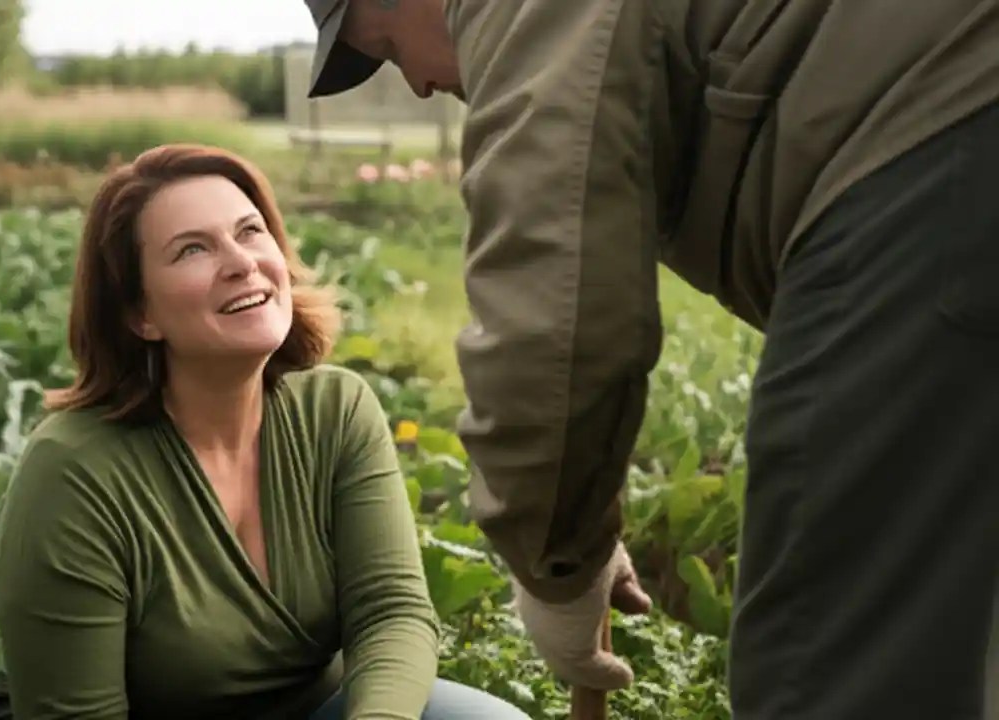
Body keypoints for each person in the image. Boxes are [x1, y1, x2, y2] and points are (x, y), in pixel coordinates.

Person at [300, 0, 999, 718]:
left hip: (935, 139)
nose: (413, 85)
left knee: (828, 668)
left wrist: (556, 564)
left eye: (381, 46)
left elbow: (554, 290)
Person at [0, 143, 531, 720]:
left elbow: (390, 612)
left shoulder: (336, 411)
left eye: (249, 231)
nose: (241, 262)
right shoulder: (73, 472)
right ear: (139, 314)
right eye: (192, 249)